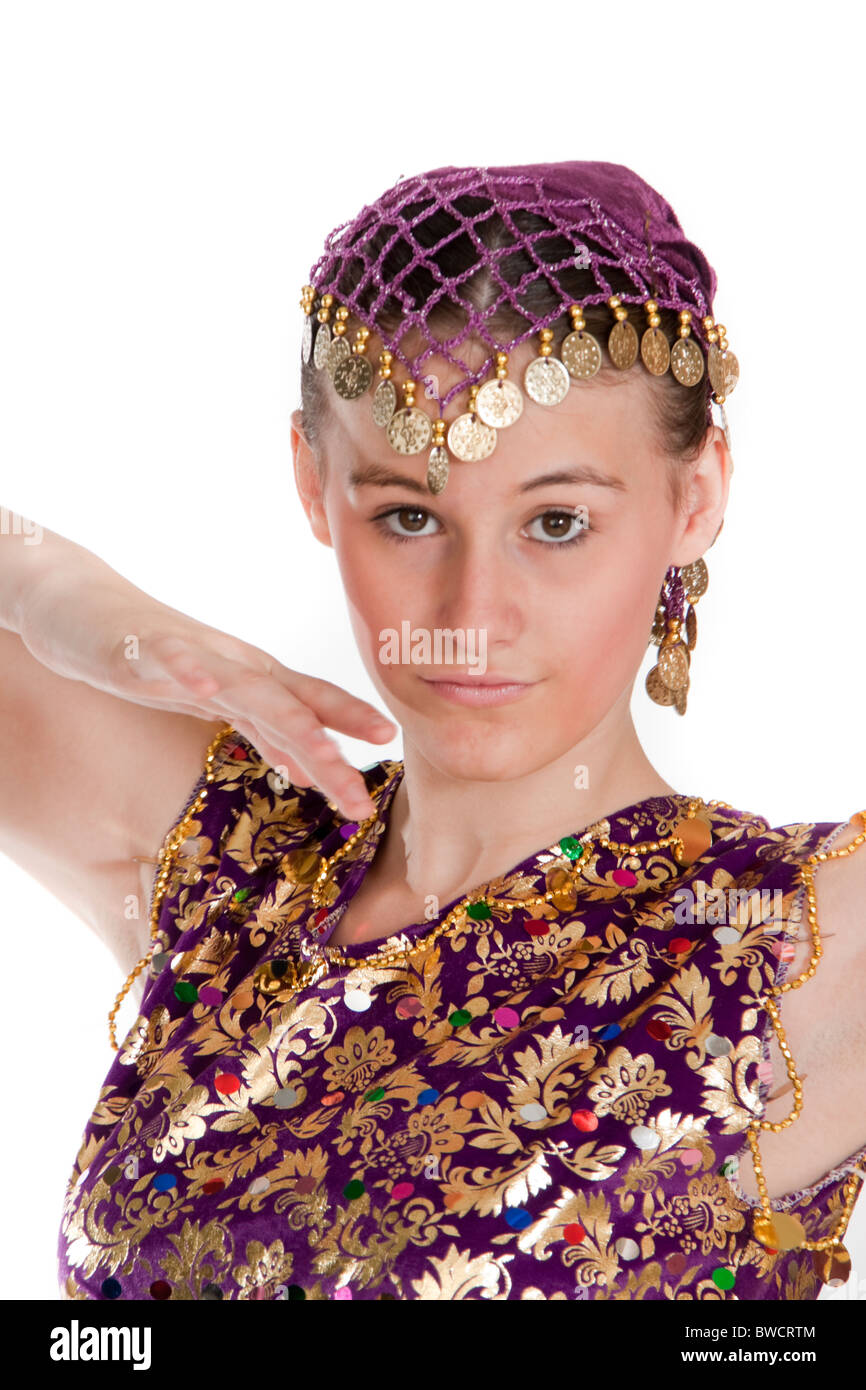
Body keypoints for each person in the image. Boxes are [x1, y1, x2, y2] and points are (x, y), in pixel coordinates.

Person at [1, 159, 864, 1302]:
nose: (468, 617)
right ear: (314, 485)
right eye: (407, 516)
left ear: (693, 499)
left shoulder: (789, 934)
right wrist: (87, 612)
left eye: (555, 522)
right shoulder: (230, 875)